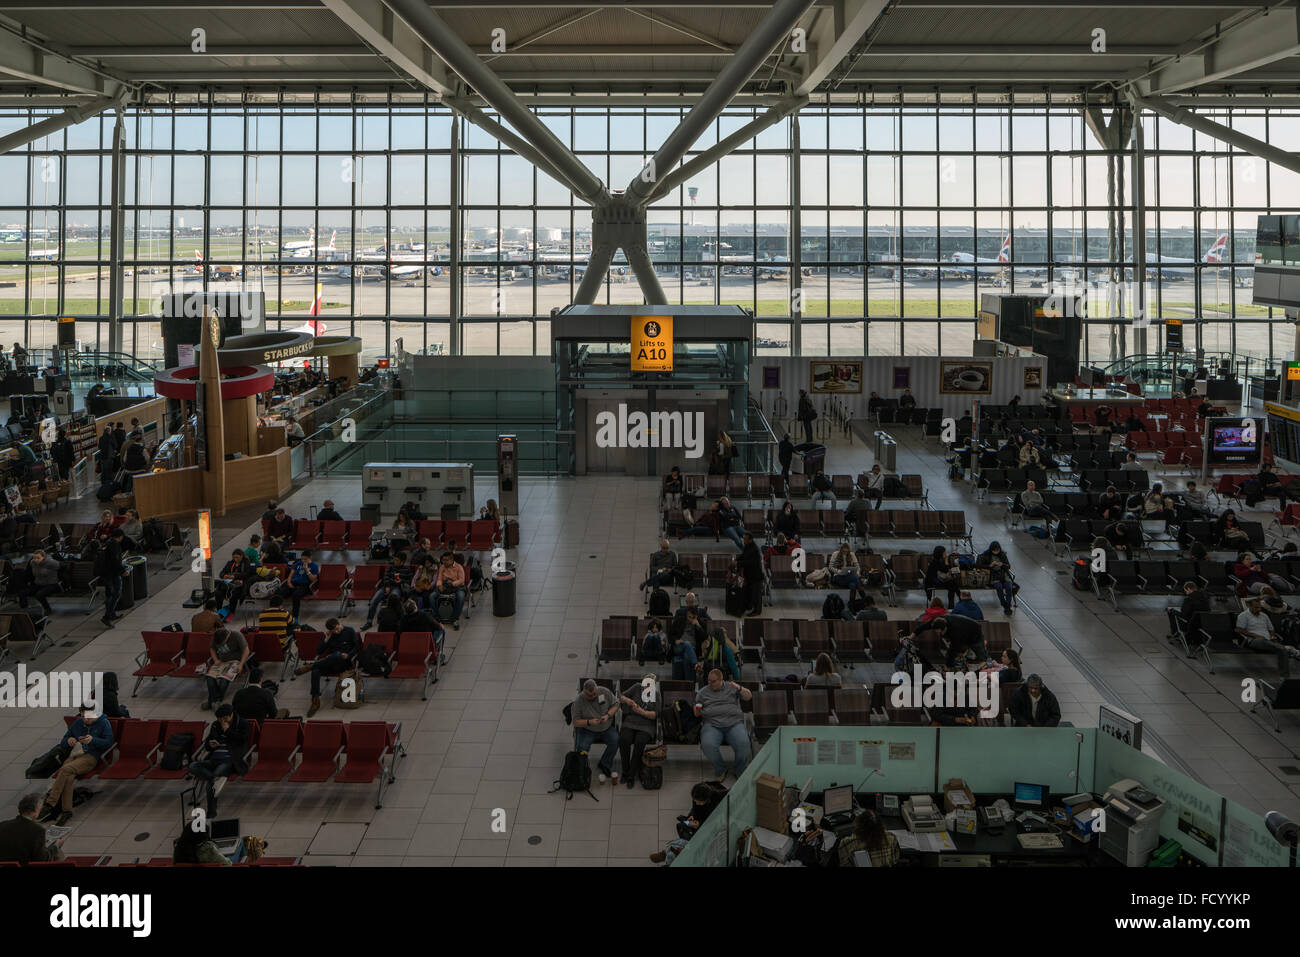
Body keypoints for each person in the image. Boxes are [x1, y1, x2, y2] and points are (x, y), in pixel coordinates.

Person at [37, 704, 113, 826]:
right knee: (68, 777)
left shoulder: (104, 723)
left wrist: (93, 740)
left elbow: (108, 742)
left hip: (90, 757)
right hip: (74, 755)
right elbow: (64, 739)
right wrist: (68, 741)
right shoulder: (78, 723)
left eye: (89, 717)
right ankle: (67, 811)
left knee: (65, 769)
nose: (86, 720)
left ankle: (50, 803)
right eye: (83, 716)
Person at [188, 704, 250, 816]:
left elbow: (242, 740)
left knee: (213, 778)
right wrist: (210, 745)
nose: (222, 721)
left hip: (230, 760)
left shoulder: (242, 724)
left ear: (231, 715)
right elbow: (207, 743)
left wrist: (227, 731)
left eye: (224, 718)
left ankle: (211, 811)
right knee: (193, 766)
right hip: (214, 759)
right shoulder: (216, 725)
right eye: (219, 718)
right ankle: (212, 779)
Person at [696, 668, 753, 781]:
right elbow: (697, 709)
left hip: (734, 723)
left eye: (713, 681)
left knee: (744, 743)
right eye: (709, 681)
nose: (710, 684)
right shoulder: (703, 692)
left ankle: (739, 769)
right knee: (707, 745)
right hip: (712, 725)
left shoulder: (731, 687)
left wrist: (739, 688)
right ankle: (721, 768)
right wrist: (697, 709)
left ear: (721, 679)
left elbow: (748, 696)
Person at [296, 617, 359, 717]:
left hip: (344, 663)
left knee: (337, 655)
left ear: (339, 623)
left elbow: (357, 647)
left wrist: (349, 655)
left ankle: (310, 666)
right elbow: (319, 651)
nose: (336, 632)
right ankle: (315, 701)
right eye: (334, 630)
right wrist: (326, 639)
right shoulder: (331, 635)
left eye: (337, 629)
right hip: (330, 663)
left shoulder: (350, 631)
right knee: (316, 671)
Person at [651, 781, 726, 864]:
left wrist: (700, 824)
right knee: (686, 825)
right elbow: (695, 808)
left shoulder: (718, 800)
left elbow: (714, 819)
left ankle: (669, 853)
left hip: (711, 823)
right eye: (694, 800)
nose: (696, 802)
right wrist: (692, 816)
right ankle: (669, 852)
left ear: (707, 799)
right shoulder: (698, 793)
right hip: (699, 820)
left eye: (698, 801)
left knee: (694, 840)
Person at [1235, 597, 1300, 676]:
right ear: (1249, 606)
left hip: (1268, 640)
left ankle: (1290, 651)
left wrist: (1272, 636)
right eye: (1256, 607)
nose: (1259, 609)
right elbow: (1239, 630)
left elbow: (1271, 629)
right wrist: (1256, 636)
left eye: (1259, 607)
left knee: (1285, 649)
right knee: (1280, 648)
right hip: (1255, 640)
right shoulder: (1243, 616)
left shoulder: (1264, 616)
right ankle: (1285, 674)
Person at [571, 679, 620, 784]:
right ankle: (581, 768)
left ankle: (605, 764)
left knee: (615, 740)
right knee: (582, 748)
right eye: (589, 695)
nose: (592, 697)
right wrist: (589, 722)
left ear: (596, 689)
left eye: (594, 694)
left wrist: (608, 715)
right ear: (584, 692)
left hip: (606, 727)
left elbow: (616, 704)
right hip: (588, 729)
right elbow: (575, 722)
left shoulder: (604, 691)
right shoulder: (578, 701)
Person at [203, 626, 259, 711]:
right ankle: (215, 701)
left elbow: (246, 650)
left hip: (235, 662)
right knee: (210, 678)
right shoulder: (216, 636)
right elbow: (212, 648)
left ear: (227, 636)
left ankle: (212, 701)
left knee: (223, 680)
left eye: (223, 643)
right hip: (222, 662)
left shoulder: (237, 635)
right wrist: (215, 659)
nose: (221, 645)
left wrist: (241, 664)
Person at [618, 677, 658, 789]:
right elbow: (619, 697)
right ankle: (625, 771)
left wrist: (642, 712)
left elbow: (656, 714)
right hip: (631, 721)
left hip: (646, 724)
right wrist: (627, 700)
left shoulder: (656, 694)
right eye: (644, 684)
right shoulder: (636, 687)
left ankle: (631, 775)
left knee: (639, 743)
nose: (645, 687)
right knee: (624, 740)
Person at [0, 793, 62, 863]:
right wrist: (56, 847)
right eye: (41, 808)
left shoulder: (2, 825)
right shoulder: (37, 830)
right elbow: (42, 859)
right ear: (36, 810)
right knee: (58, 854)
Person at [922, 613, 990, 670]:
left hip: (975, 632)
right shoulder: (938, 622)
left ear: (944, 629)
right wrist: (913, 634)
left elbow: (954, 648)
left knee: (982, 657)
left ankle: (986, 667)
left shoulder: (955, 631)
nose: (938, 634)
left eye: (939, 632)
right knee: (960, 654)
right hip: (965, 635)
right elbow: (924, 626)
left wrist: (948, 665)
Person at [96, 526, 126, 629]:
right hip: (113, 573)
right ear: (120, 537)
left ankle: (112, 613)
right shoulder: (115, 545)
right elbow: (116, 560)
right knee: (115, 594)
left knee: (110, 594)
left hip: (105, 573)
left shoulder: (108, 543)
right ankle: (107, 617)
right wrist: (123, 571)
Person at [977, 540, 1017, 614]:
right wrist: (990, 566)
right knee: (999, 587)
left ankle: (1008, 604)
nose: (996, 552)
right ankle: (1003, 603)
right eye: (994, 551)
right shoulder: (986, 555)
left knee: (1008, 586)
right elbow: (979, 566)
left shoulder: (1002, 555)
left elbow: (1008, 566)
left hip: (1003, 574)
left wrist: (1002, 565)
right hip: (993, 575)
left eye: (997, 550)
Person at [19, 549, 61, 618]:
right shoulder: (32, 563)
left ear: (43, 557)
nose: (36, 559)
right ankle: (25, 610)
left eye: (38, 558)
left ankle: (47, 609)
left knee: (39, 595)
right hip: (38, 584)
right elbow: (29, 574)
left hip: (51, 584)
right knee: (22, 592)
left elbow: (62, 567)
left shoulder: (51, 562)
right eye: (34, 558)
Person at [1167, 580, 1211, 644]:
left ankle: (1175, 633)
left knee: (1171, 612)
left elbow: (1183, 615)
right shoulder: (1205, 599)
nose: (1186, 593)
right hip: (1203, 625)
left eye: (1186, 591)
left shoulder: (1188, 599)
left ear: (1189, 589)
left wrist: (1172, 610)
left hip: (1189, 625)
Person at [434, 551, 467, 629]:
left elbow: (461, 580)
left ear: (452, 560)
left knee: (461, 596)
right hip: (445, 586)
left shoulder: (459, 567)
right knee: (432, 596)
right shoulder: (442, 567)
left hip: (457, 587)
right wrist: (439, 585)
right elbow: (439, 579)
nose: (444, 562)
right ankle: (437, 618)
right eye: (443, 560)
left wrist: (452, 583)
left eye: (446, 560)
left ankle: (455, 619)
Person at [216, 548, 254, 615]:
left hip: (240, 585)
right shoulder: (230, 563)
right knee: (218, 593)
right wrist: (224, 575)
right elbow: (221, 573)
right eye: (234, 557)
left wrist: (235, 577)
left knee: (234, 594)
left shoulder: (245, 563)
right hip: (229, 584)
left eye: (237, 557)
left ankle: (231, 611)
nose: (235, 559)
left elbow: (247, 574)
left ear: (241, 556)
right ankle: (219, 610)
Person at [285, 548, 319, 620]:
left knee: (295, 595)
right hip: (294, 583)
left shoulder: (314, 566)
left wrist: (307, 570)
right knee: (281, 592)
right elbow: (291, 575)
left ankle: (295, 617)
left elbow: (313, 579)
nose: (303, 561)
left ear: (310, 558)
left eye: (305, 559)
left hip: (305, 585)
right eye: (302, 559)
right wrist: (289, 582)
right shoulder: (298, 563)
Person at [740, 532, 764, 617]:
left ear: (750, 540)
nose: (744, 541)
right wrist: (736, 560)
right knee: (750, 592)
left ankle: (757, 611)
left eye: (745, 539)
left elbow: (750, 562)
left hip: (756, 575)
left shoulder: (755, 549)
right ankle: (750, 606)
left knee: (756, 594)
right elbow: (743, 556)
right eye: (743, 539)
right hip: (749, 575)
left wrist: (739, 563)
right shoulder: (747, 546)